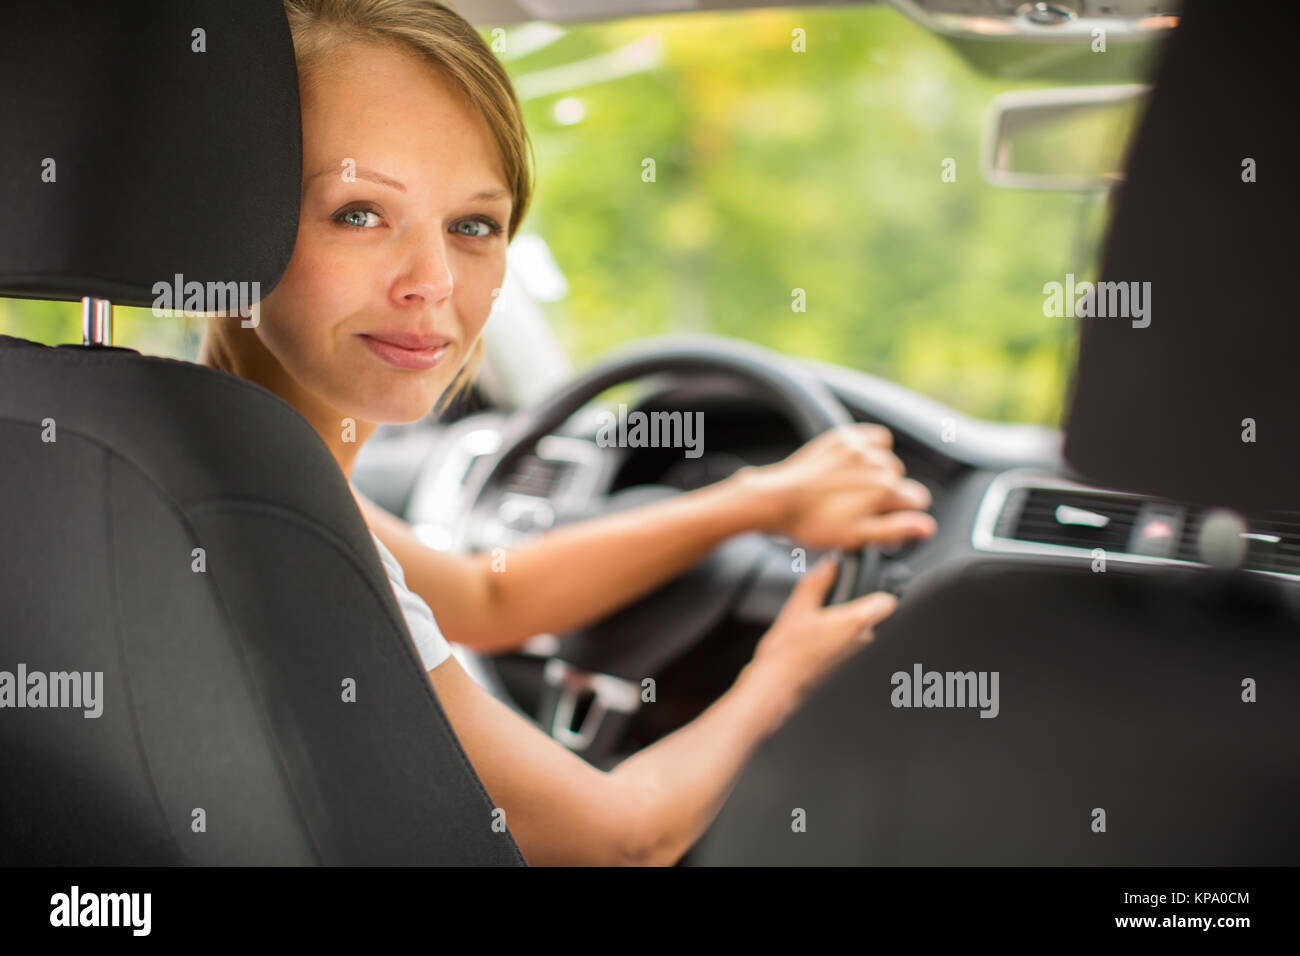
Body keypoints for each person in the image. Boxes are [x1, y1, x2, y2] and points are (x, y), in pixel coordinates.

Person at [199, 0, 935, 865]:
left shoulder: (212, 458)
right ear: (222, 220)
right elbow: (620, 842)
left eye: (473, 225)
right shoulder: (279, 530)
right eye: (360, 212)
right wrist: (781, 677)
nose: (433, 282)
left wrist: (754, 502)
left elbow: (487, 598)